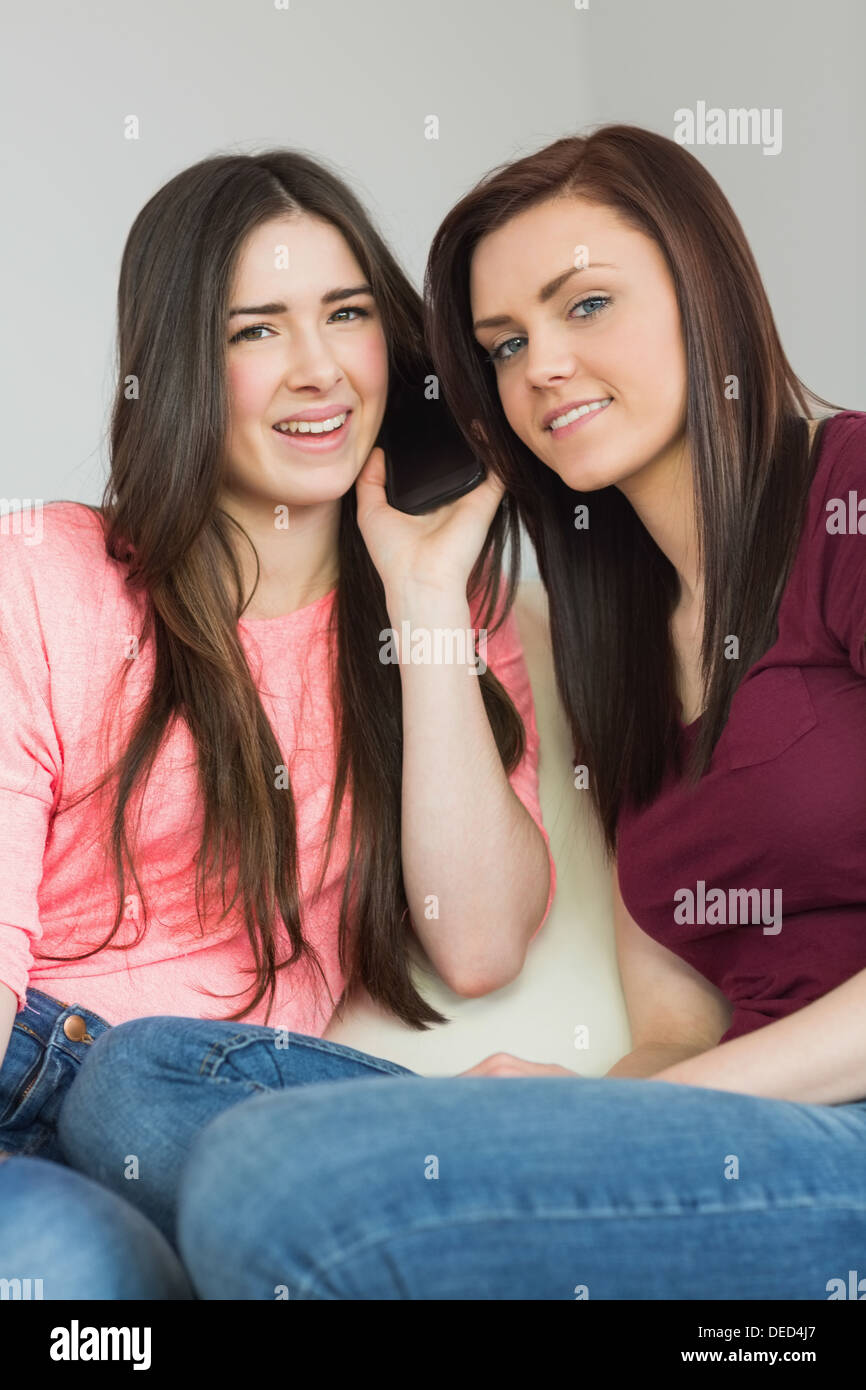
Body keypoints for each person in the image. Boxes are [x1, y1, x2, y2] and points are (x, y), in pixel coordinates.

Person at [161, 125, 864, 1299]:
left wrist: (638, 1112)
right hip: (762, 1152)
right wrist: (572, 1112)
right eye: (502, 343)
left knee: (276, 1180)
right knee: (230, 1139)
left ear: (705, 292)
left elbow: (694, 1077)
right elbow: (679, 1025)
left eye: (584, 305)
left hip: (812, 1138)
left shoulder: (846, 490)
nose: (540, 363)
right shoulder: (616, 644)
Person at [0, 149, 554, 1287]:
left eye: (344, 314)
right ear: (181, 366)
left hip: (190, 1111)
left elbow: (480, 941)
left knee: (138, 1078)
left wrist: (421, 591)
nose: (318, 371)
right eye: (256, 329)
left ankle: (446, 1164)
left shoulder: (453, 610)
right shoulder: (46, 573)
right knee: (54, 1280)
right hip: (27, 1088)